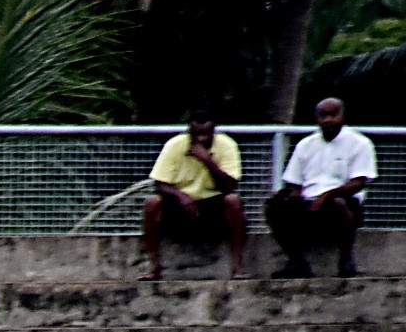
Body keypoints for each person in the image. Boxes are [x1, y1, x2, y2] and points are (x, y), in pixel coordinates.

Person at [267, 99, 377, 279]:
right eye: (323, 116)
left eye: (333, 115)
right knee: (274, 206)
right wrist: (290, 196)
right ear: (316, 118)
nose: (328, 120)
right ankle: (298, 264)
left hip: (343, 203)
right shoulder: (305, 145)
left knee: (339, 203)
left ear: (342, 116)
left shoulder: (360, 143)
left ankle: (346, 261)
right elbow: (294, 183)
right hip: (310, 203)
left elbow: (359, 182)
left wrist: (327, 195)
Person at [142, 112, 247, 280]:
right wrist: (180, 196)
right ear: (189, 129)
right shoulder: (175, 145)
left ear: (213, 130)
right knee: (152, 202)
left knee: (233, 201)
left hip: (212, 205)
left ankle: (237, 267)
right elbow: (160, 183)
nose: (200, 139)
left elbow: (229, 186)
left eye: (205, 134)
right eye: (196, 134)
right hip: (180, 205)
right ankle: (154, 266)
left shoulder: (227, 145)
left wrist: (207, 161)